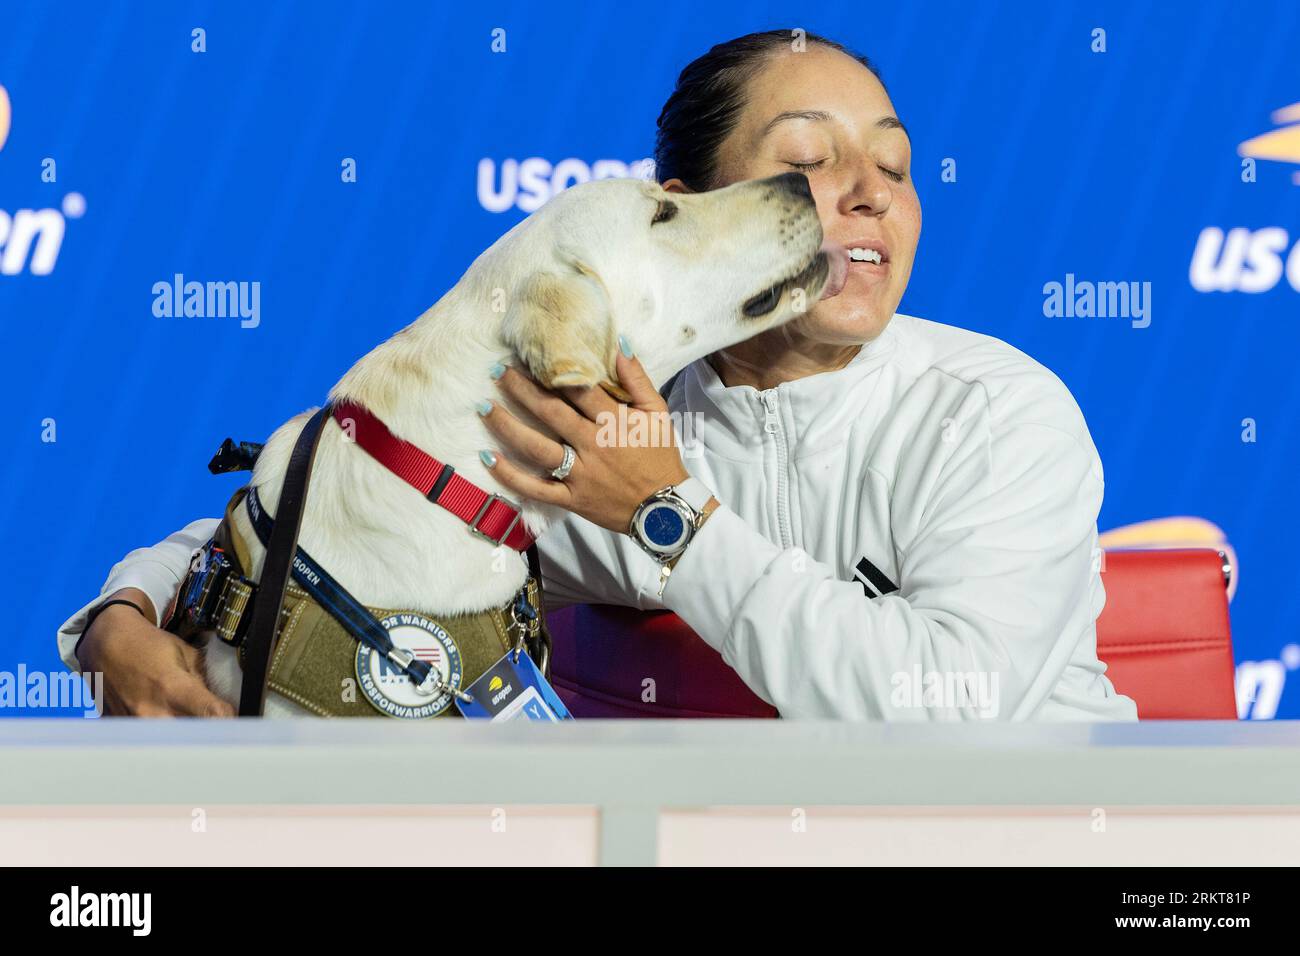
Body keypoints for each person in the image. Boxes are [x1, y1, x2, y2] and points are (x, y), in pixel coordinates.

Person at [58, 29, 1137, 721]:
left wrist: (670, 516)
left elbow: (945, 710)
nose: (860, 192)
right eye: (804, 163)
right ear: (689, 208)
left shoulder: (995, 410)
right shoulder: (587, 430)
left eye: (893, 167)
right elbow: (325, 521)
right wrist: (124, 613)